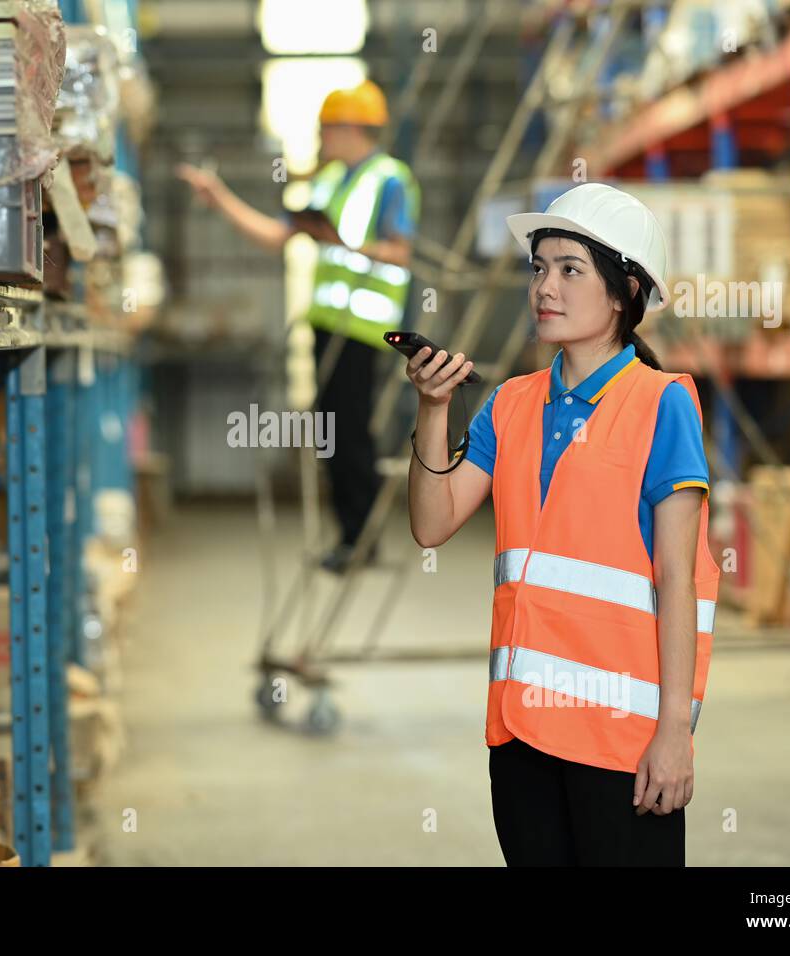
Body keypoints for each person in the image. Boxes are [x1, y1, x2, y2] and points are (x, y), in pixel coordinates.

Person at [403, 182, 721, 866]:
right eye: (539, 268)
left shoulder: (662, 405)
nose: (545, 286)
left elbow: (677, 580)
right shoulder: (511, 405)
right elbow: (431, 524)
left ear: (623, 292)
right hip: (521, 737)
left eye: (570, 269)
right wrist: (433, 412)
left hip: (622, 744)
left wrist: (675, 734)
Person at [176, 79, 421, 573]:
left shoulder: (390, 179)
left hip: (364, 327)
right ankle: (351, 537)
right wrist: (220, 197)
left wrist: (344, 245)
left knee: (351, 433)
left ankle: (361, 538)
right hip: (328, 322)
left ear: (352, 129)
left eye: (327, 129)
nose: (321, 138)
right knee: (332, 429)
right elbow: (277, 237)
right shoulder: (329, 182)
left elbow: (401, 250)